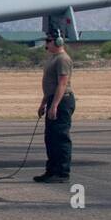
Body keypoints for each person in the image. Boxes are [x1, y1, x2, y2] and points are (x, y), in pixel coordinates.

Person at [34, 32, 75, 183]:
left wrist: (55, 106)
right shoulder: (52, 58)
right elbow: (50, 86)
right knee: (50, 138)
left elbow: (62, 84)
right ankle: (51, 171)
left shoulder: (63, 59)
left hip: (62, 101)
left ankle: (62, 172)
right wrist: (44, 103)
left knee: (60, 137)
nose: (46, 44)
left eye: (48, 41)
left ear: (57, 42)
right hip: (52, 99)